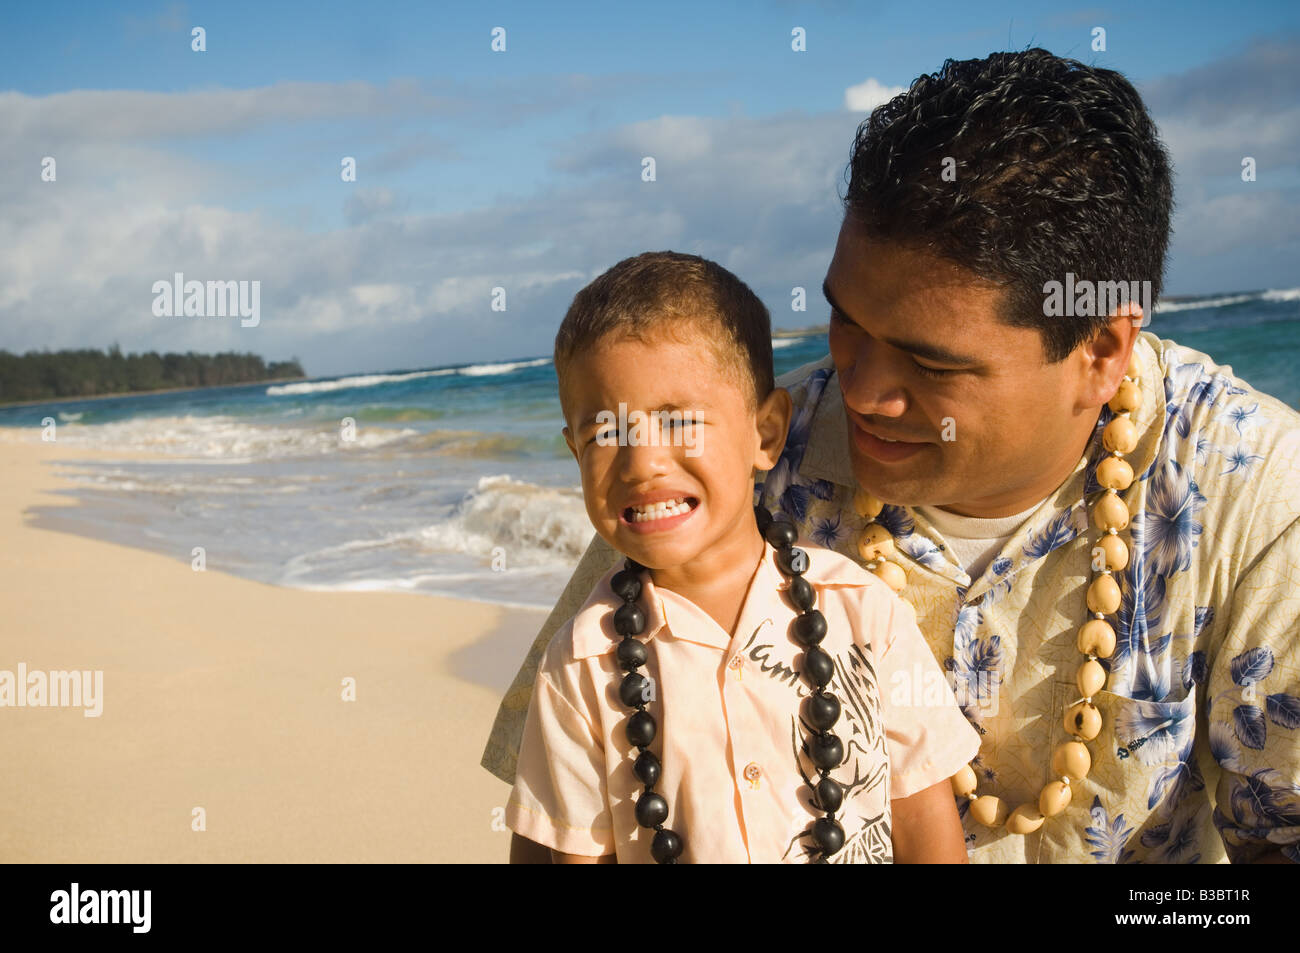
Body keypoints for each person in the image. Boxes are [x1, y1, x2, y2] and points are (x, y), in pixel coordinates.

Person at [487, 49, 1300, 864]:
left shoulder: (1253, 495)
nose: (863, 390)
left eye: (931, 362)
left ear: (1099, 348)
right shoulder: (728, 457)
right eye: (846, 323)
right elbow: (554, 817)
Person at [505, 251, 980, 863]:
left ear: (765, 434)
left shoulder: (863, 613)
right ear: (574, 452)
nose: (641, 462)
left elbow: (925, 827)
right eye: (604, 433)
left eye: (678, 421)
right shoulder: (582, 665)